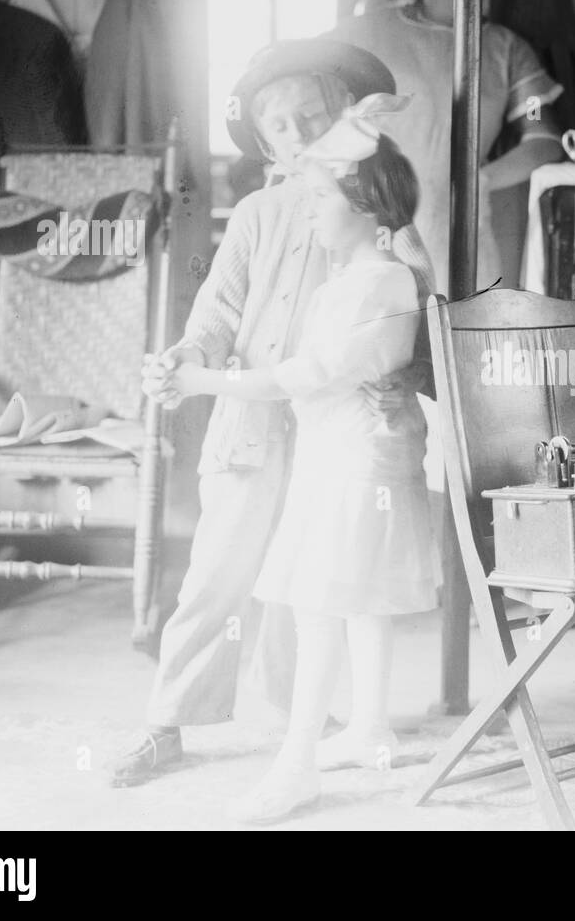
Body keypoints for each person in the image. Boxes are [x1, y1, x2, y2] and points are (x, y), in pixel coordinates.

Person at [109, 39, 426, 787]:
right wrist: (182, 358)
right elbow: (217, 310)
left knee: (308, 586)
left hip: (331, 436)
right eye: (276, 126)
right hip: (251, 422)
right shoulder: (258, 212)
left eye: (309, 116)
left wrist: (404, 371)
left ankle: (302, 724)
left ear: (344, 118)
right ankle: (167, 720)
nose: (293, 135)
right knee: (217, 572)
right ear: (262, 139)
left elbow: (415, 299)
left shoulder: (366, 210)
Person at [167, 106, 438, 823]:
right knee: (354, 597)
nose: (309, 211)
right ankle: (370, 726)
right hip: (342, 453)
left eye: (320, 199)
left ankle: (296, 768)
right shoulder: (353, 279)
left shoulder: (381, 284)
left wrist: (202, 384)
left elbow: (301, 376)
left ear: (363, 208)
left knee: (321, 604)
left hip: (356, 462)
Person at [328, 0, 564, 292]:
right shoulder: (368, 31)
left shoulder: (506, 51)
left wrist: (481, 180)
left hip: (463, 227)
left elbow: (544, 140)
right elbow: (311, 90)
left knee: (461, 335)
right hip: (377, 226)